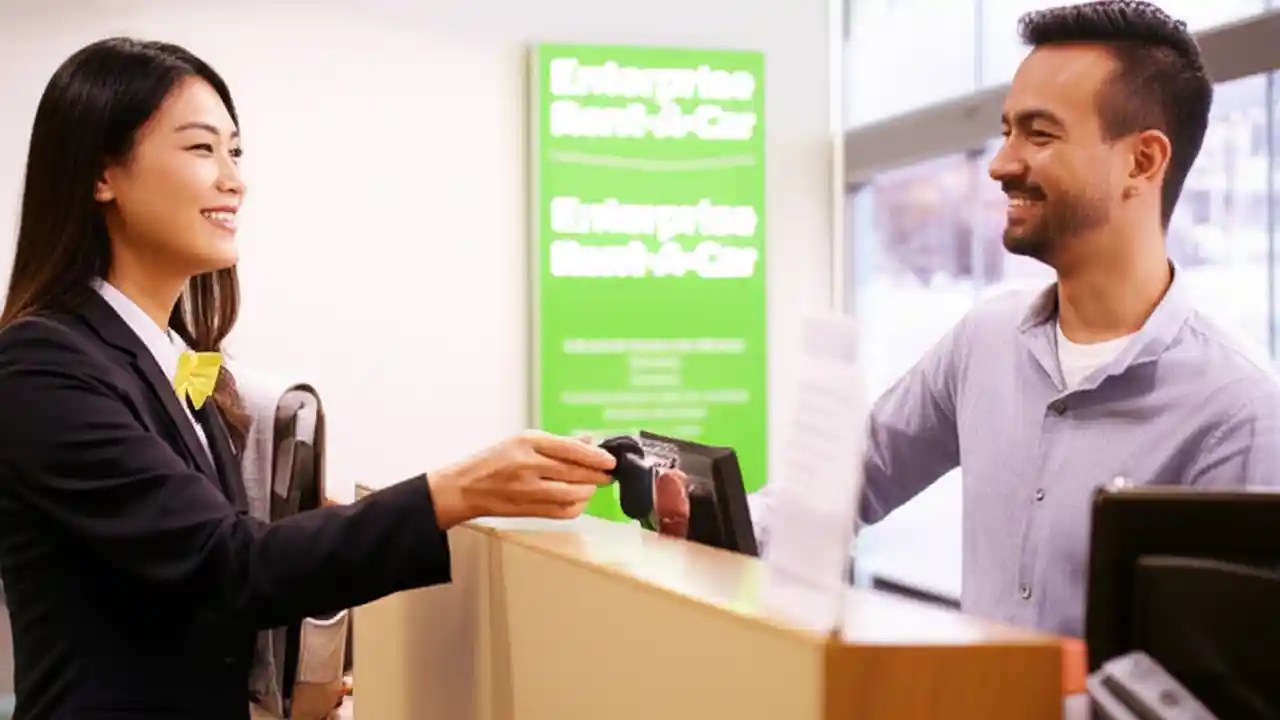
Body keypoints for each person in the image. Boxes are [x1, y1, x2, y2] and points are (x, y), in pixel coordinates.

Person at [0, 38, 617, 720]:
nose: (234, 179)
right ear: (101, 173)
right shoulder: (38, 367)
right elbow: (228, 565)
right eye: (202, 149)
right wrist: (455, 491)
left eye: (235, 152)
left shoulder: (177, 357)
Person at [758, 0, 1280, 638]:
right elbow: (840, 490)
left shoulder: (1238, 411)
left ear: (1142, 162)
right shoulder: (984, 343)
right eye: (1007, 131)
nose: (1002, 163)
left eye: (1039, 134)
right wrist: (681, 507)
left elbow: (1225, 675)